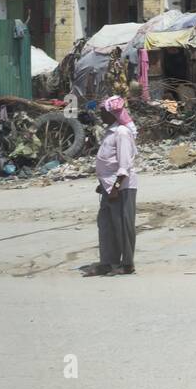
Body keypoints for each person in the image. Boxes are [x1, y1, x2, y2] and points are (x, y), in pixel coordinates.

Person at [85, 95, 140, 275]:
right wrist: (104, 185)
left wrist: (115, 188)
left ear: (112, 113)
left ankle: (127, 265)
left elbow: (124, 166)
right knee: (106, 224)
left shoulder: (122, 133)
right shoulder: (111, 131)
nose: (100, 115)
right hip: (108, 186)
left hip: (121, 187)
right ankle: (109, 261)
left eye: (103, 112)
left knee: (123, 225)